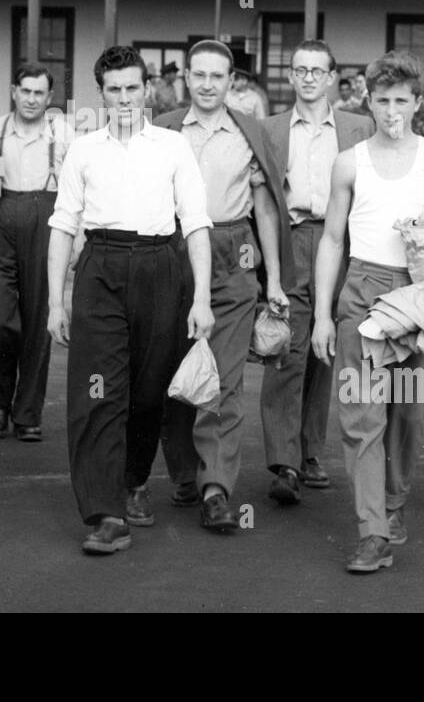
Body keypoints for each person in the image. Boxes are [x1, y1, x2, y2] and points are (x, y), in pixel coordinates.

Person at [312, 50, 424, 573]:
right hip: (362, 295)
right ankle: (372, 533)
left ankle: (394, 503)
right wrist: (321, 314)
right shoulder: (349, 161)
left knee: (407, 414)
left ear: (418, 103)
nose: (391, 111)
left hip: (419, 294)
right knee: (362, 416)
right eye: (381, 100)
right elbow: (332, 240)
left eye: (401, 101)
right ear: (367, 99)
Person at [46, 45, 213, 556]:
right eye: (114, 89)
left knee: (148, 392)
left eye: (132, 88)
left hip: (162, 268)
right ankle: (105, 512)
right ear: (102, 93)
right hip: (100, 268)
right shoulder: (83, 149)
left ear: (146, 90)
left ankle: (135, 479)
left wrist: (201, 298)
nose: (124, 98)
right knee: (97, 393)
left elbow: (198, 224)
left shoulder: (172, 146)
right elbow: (62, 226)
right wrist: (56, 301)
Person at [155, 40, 289, 531]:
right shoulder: (163, 128)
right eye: (199, 75)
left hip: (233, 253)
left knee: (225, 380)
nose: (208, 84)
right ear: (186, 77)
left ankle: (216, 487)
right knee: (172, 372)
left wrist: (273, 277)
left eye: (218, 76)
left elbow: (267, 207)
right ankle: (184, 473)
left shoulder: (247, 131)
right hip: (171, 251)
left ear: (233, 80)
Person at [258, 39, 373, 503]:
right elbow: (261, 199)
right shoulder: (268, 129)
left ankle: (310, 452)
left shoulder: (358, 127)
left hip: (341, 241)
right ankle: (283, 463)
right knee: (287, 349)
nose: (308, 78)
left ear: (331, 79)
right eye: (299, 70)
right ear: (290, 76)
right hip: (291, 239)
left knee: (325, 351)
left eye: (317, 71)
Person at [0, 63, 74, 442]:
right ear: (14, 91)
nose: (31, 99)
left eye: (39, 93)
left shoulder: (65, 134)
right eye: (25, 91)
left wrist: (75, 240)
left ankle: (27, 411)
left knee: (37, 320)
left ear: (49, 98)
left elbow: (80, 191)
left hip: (46, 222)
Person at [225, 55, 269, 120]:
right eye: (232, 78)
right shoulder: (227, 96)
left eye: (236, 79)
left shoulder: (255, 98)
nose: (233, 82)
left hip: (248, 129)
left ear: (244, 81)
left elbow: (261, 119)